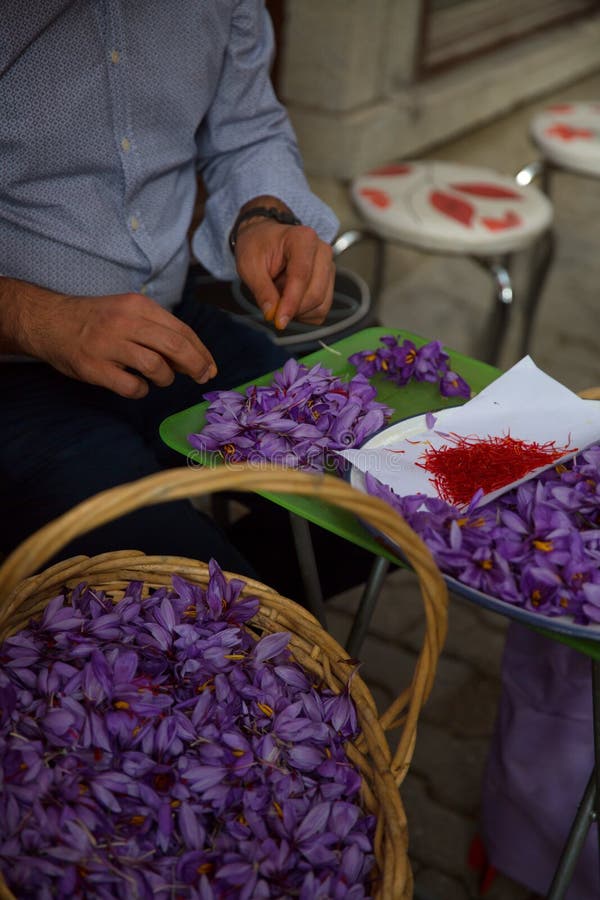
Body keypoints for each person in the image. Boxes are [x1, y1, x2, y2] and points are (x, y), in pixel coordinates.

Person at [0, 1, 338, 573]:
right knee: (186, 597)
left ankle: (242, 628)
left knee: (375, 507)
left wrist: (262, 215)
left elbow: (247, 131)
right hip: (14, 371)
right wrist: (38, 317)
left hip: (170, 326)